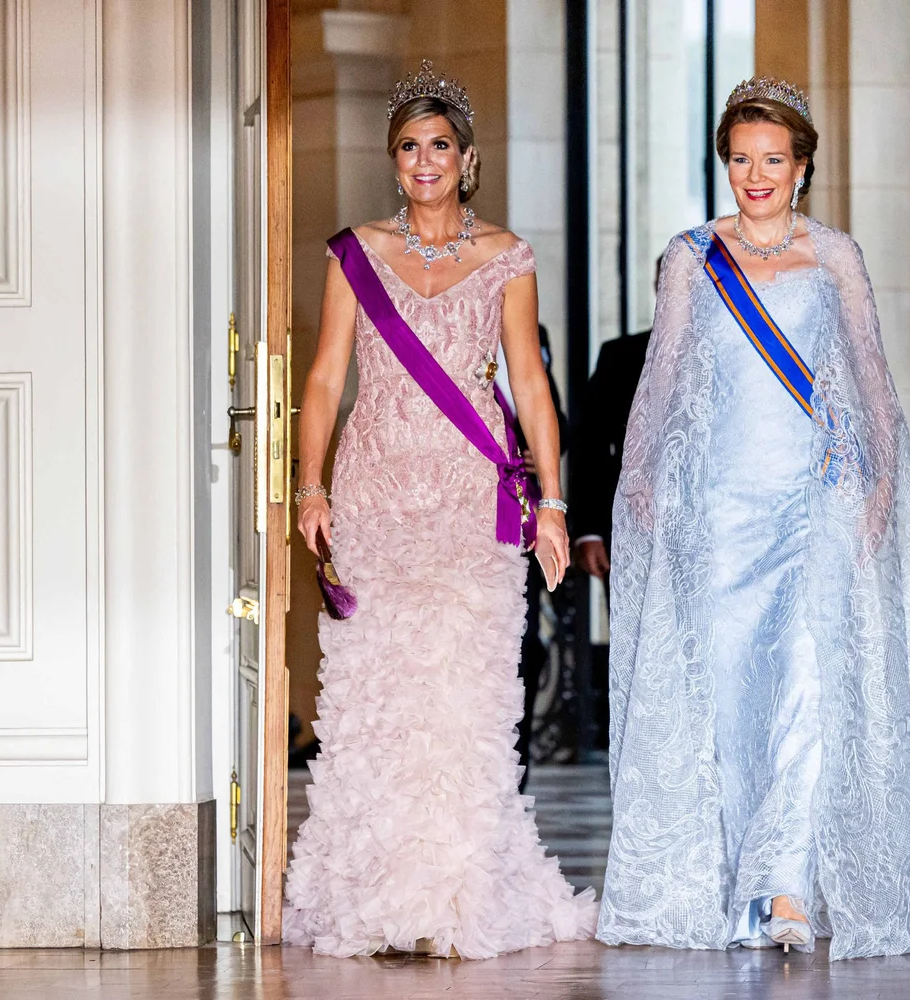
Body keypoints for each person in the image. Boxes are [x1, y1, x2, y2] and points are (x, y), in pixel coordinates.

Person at [597, 78, 910, 960]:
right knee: (729, 699)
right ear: (727, 164)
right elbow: (663, 379)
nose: (755, 176)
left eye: (773, 160)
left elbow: (870, 382)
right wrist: (640, 483)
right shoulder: (689, 257)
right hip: (717, 515)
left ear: (803, 167)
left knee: (803, 690)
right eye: (741, 160)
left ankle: (780, 890)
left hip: (809, 509)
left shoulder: (835, 258)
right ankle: (734, 868)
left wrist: (876, 490)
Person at [282, 60, 597, 960]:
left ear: (467, 160)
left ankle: (459, 892)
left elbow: (531, 385)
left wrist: (551, 499)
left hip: (470, 497)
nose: (425, 160)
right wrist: (311, 485)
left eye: (440, 146)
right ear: (396, 161)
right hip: (377, 492)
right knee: (380, 697)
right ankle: (375, 892)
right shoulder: (355, 254)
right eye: (411, 147)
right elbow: (326, 376)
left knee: (460, 700)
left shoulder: (506, 258)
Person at [500, 323, 568, 791]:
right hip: (457, 503)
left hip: (519, 511)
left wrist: (538, 455)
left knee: (521, 646)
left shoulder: (531, 332)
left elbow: (554, 415)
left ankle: (514, 772)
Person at [571, 259, 659, 582]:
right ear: (657, 286)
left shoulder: (729, 357)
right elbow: (589, 444)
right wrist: (588, 531)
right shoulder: (619, 357)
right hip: (631, 536)